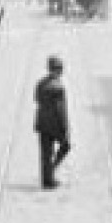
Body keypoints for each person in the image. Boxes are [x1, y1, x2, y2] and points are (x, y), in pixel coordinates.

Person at [34, 54, 70, 190]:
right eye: (60, 68)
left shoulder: (40, 83)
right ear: (57, 70)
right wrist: (65, 127)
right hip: (55, 125)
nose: (61, 71)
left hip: (41, 123)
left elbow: (36, 99)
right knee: (65, 146)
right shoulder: (59, 87)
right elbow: (60, 110)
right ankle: (51, 171)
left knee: (45, 153)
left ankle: (47, 180)